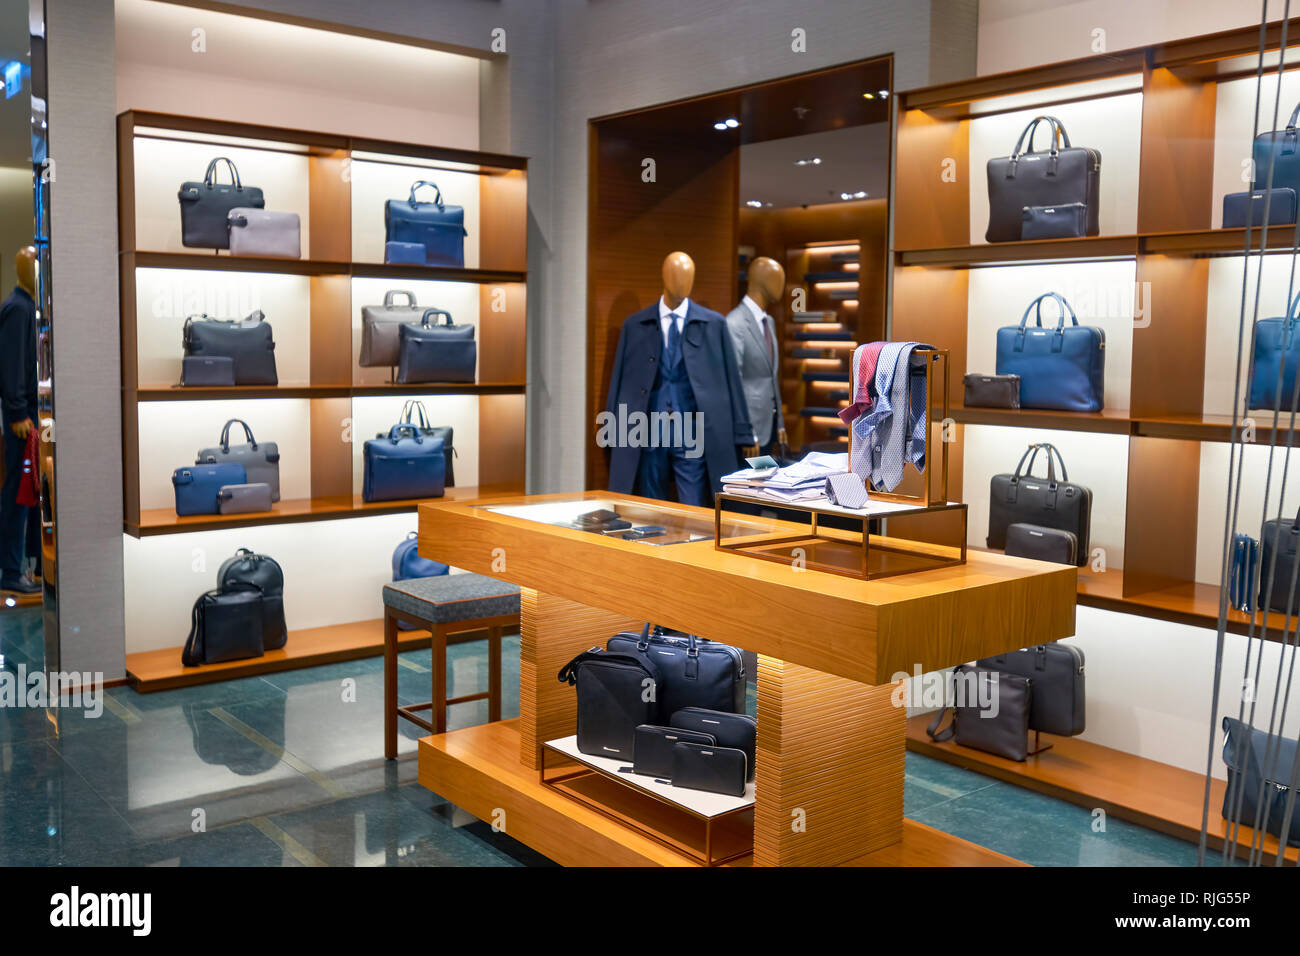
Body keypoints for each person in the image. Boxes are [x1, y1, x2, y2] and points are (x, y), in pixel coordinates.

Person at [0, 246, 39, 594]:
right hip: (19, 420)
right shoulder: (17, 310)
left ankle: (25, 565)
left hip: (25, 416)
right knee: (17, 491)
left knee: (26, 492)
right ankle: (11, 571)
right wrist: (17, 413)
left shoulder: (25, 308)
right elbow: (11, 366)